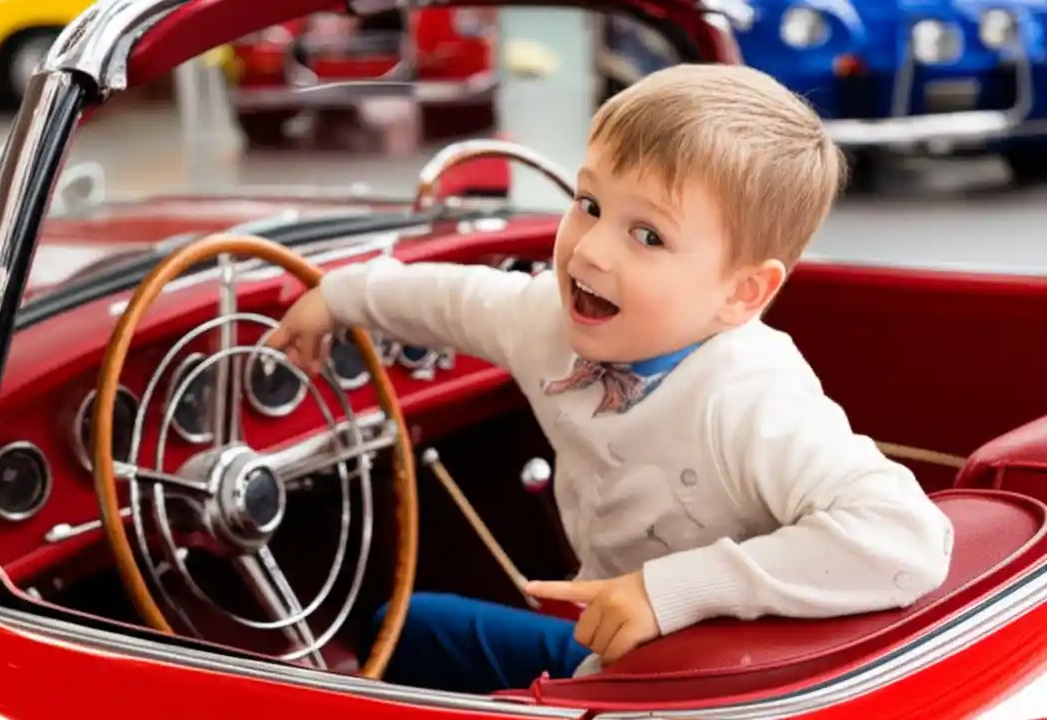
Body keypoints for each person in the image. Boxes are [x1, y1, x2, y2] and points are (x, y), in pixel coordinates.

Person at [266, 63, 954, 693]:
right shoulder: (546, 321)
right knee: (405, 623)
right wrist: (339, 296)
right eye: (589, 204)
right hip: (618, 651)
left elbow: (907, 539)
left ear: (742, 295)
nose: (589, 250)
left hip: (706, 688)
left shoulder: (749, 395)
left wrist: (669, 592)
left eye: (648, 235)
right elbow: (456, 301)